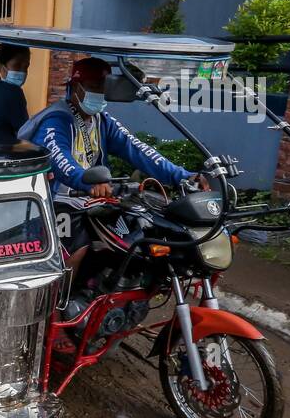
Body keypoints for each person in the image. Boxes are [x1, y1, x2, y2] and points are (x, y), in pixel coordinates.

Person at [18, 57, 201, 278]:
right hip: (55, 201)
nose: (100, 94)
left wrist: (182, 176)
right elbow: (60, 159)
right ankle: (58, 304)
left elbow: (138, 149)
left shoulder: (102, 120)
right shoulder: (56, 120)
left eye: (104, 88)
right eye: (94, 87)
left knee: (138, 234)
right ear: (76, 87)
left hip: (94, 200)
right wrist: (86, 179)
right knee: (77, 246)